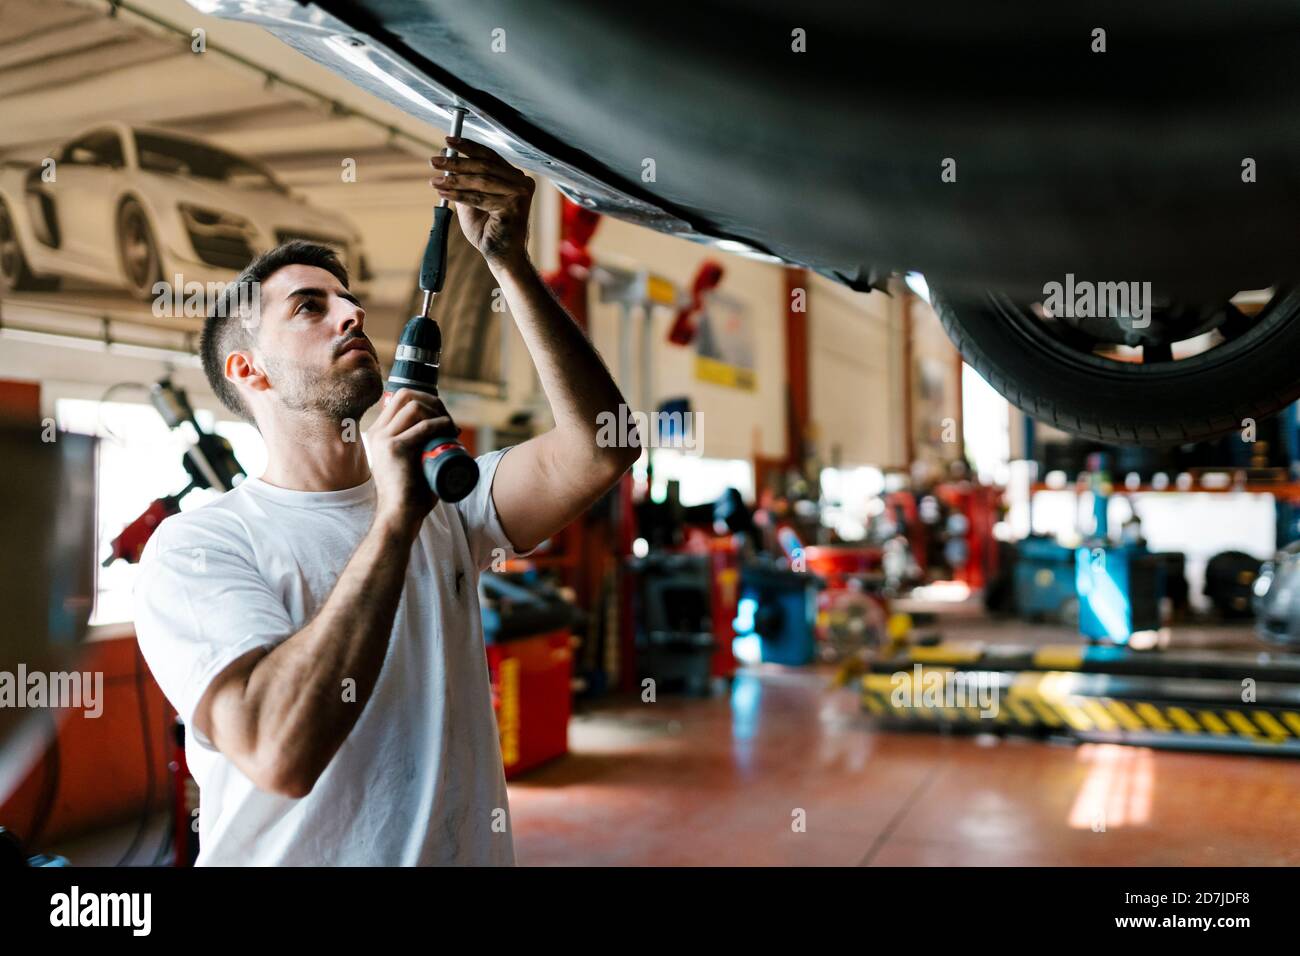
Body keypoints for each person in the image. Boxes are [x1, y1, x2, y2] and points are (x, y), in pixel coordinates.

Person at [133, 136, 639, 865]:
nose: (350, 315)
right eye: (311, 306)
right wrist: (395, 521)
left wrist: (509, 261)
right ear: (250, 370)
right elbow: (280, 752)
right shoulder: (200, 546)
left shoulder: (446, 505)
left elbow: (604, 446)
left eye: (350, 301)